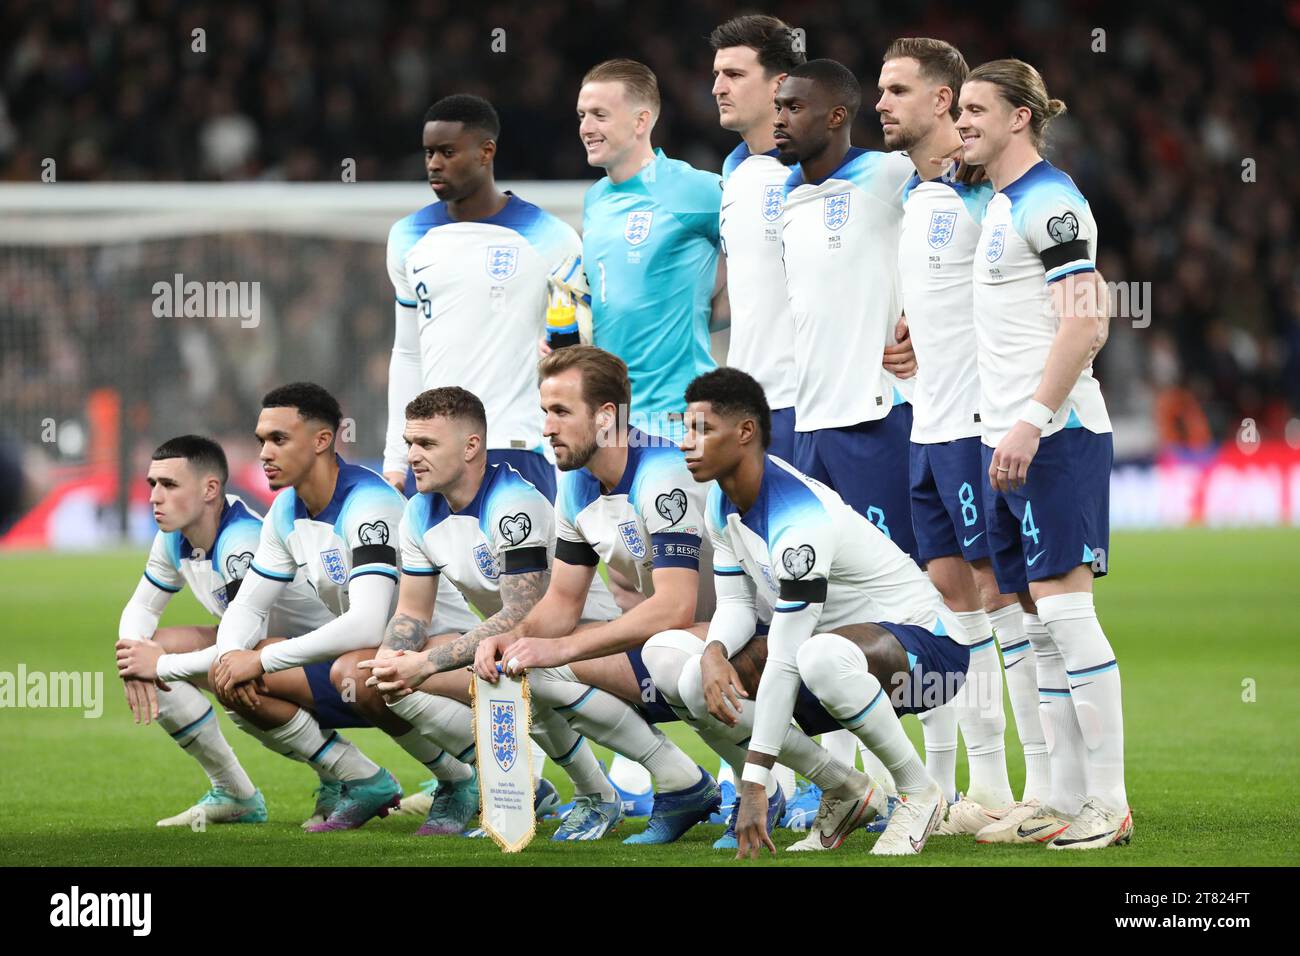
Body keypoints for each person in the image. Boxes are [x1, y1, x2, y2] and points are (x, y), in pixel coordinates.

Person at [676, 367, 976, 858]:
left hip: (931, 651)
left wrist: (754, 782)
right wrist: (713, 651)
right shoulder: (719, 502)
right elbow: (733, 604)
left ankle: (919, 792)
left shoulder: (799, 519)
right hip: (837, 657)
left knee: (815, 656)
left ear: (745, 432)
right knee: (694, 682)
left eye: (702, 430)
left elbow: (788, 656)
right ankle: (844, 787)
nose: (687, 443)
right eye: (686, 429)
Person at [958, 59, 1130, 849]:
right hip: (1007, 439)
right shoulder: (999, 205)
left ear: (1020, 117)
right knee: (1034, 623)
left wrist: (1031, 419)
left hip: (1054, 437)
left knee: (1066, 613)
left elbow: (1085, 322)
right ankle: (1059, 796)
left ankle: (1110, 802)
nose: (961, 122)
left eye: (974, 109)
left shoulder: (1053, 203)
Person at [355, 386, 628, 839]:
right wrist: (393, 658)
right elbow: (413, 614)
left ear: (471, 446)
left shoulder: (512, 504)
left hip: (580, 639)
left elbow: (524, 612)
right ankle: (519, 787)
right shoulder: (419, 512)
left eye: (427, 444)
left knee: (511, 666)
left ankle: (602, 794)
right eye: (409, 444)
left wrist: (426, 663)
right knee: (392, 679)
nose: (412, 457)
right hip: (514, 644)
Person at [208, 382, 480, 832]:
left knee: (357, 671)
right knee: (240, 684)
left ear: (322, 440)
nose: (264, 453)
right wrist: (228, 657)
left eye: (278, 439)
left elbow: (368, 625)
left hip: (446, 662)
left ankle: (465, 779)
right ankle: (364, 780)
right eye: (261, 441)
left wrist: (257, 659)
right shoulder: (285, 511)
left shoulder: (369, 504)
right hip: (381, 665)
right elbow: (249, 606)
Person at [877, 37, 1027, 834]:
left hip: (976, 426)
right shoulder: (914, 193)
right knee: (950, 605)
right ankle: (989, 791)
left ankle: (1037, 789)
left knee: (1004, 605)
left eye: (897, 90)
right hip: (925, 423)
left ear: (944, 100)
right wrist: (908, 340)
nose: (881, 105)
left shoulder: (989, 195)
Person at [114, 434, 335, 827]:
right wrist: (133, 657)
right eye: (152, 485)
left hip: (325, 659)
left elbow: (243, 648)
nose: (154, 497)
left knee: (228, 674)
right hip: (268, 651)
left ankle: (347, 776)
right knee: (149, 649)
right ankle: (234, 793)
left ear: (210, 489)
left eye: (168, 485)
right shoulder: (172, 538)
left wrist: (160, 666)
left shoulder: (241, 541)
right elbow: (143, 605)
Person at [384, 93, 577, 502]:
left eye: (448, 152)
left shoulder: (552, 238)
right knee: (432, 567)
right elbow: (407, 354)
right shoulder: (406, 238)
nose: (434, 163)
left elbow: (582, 352)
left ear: (486, 152)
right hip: (435, 450)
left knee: (523, 568)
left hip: (518, 446)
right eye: (429, 152)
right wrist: (396, 459)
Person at [775, 58, 919, 557]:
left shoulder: (890, 173)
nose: (780, 119)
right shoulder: (788, 198)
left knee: (904, 579)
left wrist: (925, 322)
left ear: (836, 116)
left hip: (874, 414)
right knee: (827, 588)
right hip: (809, 422)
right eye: (778, 106)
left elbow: (973, 223)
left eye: (794, 107)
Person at [576, 58, 726, 439]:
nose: (586, 128)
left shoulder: (693, 189)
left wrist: (705, 311)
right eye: (582, 115)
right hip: (609, 421)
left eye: (599, 115)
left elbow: (767, 252)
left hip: (675, 420)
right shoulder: (595, 199)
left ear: (641, 121)